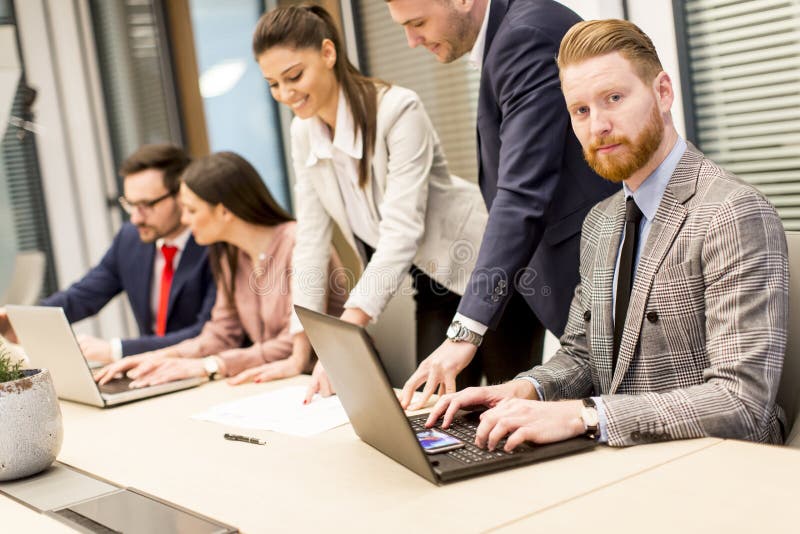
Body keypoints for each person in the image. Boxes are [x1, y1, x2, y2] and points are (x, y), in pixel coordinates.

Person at [425, 19, 788, 450]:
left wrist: (585, 416)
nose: (597, 126)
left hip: (716, 463)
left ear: (663, 92)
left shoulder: (731, 212)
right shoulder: (601, 221)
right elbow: (582, 355)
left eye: (613, 98)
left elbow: (741, 402)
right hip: (626, 456)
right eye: (581, 111)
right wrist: (522, 390)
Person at [385, 0, 621, 409]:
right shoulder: (508, 34)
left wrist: (465, 332)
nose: (411, 41)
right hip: (578, 283)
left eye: (418, 22)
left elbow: (521, 192)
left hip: (602, 276)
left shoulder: (523, 36)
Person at [252, 4, 491, 402]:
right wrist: (301, 350)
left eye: (294, 76)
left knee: (504, 403)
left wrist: (346, 332)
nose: (286, 94)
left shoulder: (397, 109)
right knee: (432, 406)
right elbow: (310, 240)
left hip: (485, 268)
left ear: (328, 53)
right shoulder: (302, 132)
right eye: (273, 84)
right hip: (431, 282)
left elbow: (401, 231)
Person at [95, 151, 347, 387]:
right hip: (276, 385)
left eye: (191, 210)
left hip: (324, 384)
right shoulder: (230, 254)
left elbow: (293, 344)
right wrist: (158, 357)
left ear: (224, 211)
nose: (184, 220)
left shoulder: (301, 246)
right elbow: (222, 333)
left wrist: (212, 365)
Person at [0, 144, 216, 364]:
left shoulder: (214, 246)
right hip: (150, 370)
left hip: (201, 366)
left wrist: (116, 350)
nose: (136, 218)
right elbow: (84, 295)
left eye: (146, 205)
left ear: (182, 195)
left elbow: (208, 333)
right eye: (130, 205)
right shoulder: (130, 239)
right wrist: (22, 320)